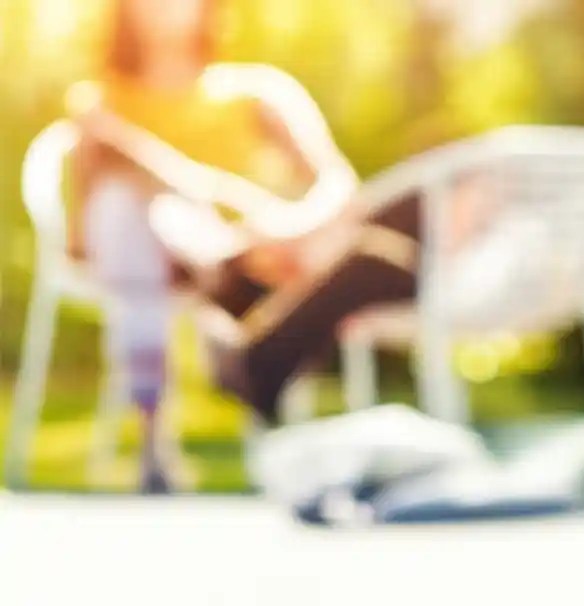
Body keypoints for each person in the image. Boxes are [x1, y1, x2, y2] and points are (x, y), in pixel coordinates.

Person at [67, 0, 420, 493]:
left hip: (252, 248)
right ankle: (156, 438)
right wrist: (158, 177)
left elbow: (337, 184)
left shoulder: (253, 91)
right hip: (150, 253)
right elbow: (81, 234)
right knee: (127, 205)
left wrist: (285, 228)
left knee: (176, 221)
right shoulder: (103, 101)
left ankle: (233, 313)